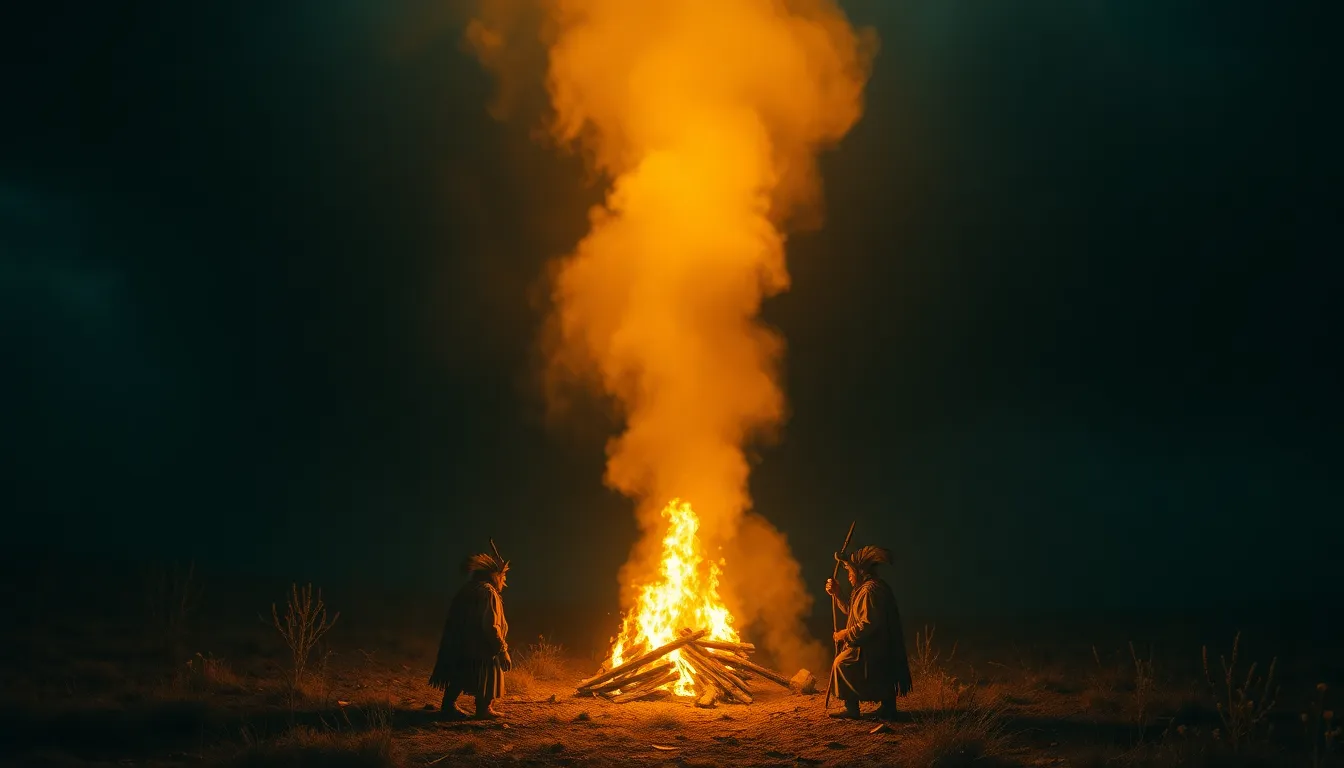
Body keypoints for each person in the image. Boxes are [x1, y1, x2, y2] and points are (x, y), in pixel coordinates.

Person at [824, 545, 913, 720]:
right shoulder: (865, 588)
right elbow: (852, 611)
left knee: (842, 663)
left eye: (850, 571)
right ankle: (886, 707)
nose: (849, 576)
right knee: (845, 662)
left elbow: (868, 624)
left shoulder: (870, 591)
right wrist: (837, 593)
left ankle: (853, 708)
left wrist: (845, 634)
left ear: (860, 571)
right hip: (872, 645)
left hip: (873, 648)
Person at [429, 551, 513, 720]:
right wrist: (502, 650)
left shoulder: (468, 589)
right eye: (503, 577)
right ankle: (484, 708)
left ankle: (448, 705)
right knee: (490, 670)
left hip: (462, 646)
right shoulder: (488, 592)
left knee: (461, 672)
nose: (504, 582)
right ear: (495, 576)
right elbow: (490, 626)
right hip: (481, 648)